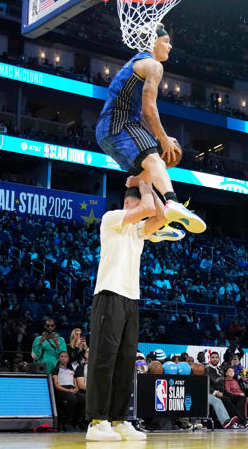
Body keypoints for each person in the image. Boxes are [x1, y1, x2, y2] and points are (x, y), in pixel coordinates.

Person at [95, 23, 205, 237]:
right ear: (153, 42)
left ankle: (153, 227)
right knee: (155, 160)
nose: (170, 46)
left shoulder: (136, 64)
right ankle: (173, 202)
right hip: (118, 124)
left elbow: (142, 112)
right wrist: (162, 138)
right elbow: (149, 108)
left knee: (146, 178)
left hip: (109, 130)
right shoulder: (153, 65)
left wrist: (156, 136)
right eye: (166, 41)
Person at [85, 176, 169, 441]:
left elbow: (160, 216)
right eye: (138, 204)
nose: (142, 212)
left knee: (125, 362)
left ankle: (120, 419)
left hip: (131, 299)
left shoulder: (138, 230)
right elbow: (146, 209)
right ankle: (98, 421)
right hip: (109, 294)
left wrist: (150, 184)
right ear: (127, 204)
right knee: (104, 359)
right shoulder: (112, 218)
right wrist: (143, 183)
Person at [53, 351, 86, 431]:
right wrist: (68, 390)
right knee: (72, 399)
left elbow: (75, 383)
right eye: (62, 356)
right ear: (59, 358)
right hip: (62, 390)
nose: (63, 358)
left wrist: (76, 389)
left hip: (72, 389)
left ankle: (77, 422)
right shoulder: (56, 369)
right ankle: (67, 423)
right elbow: (56, 385)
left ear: (68, 359)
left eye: (65, 357)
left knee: (83, 398)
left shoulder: (71, 370)